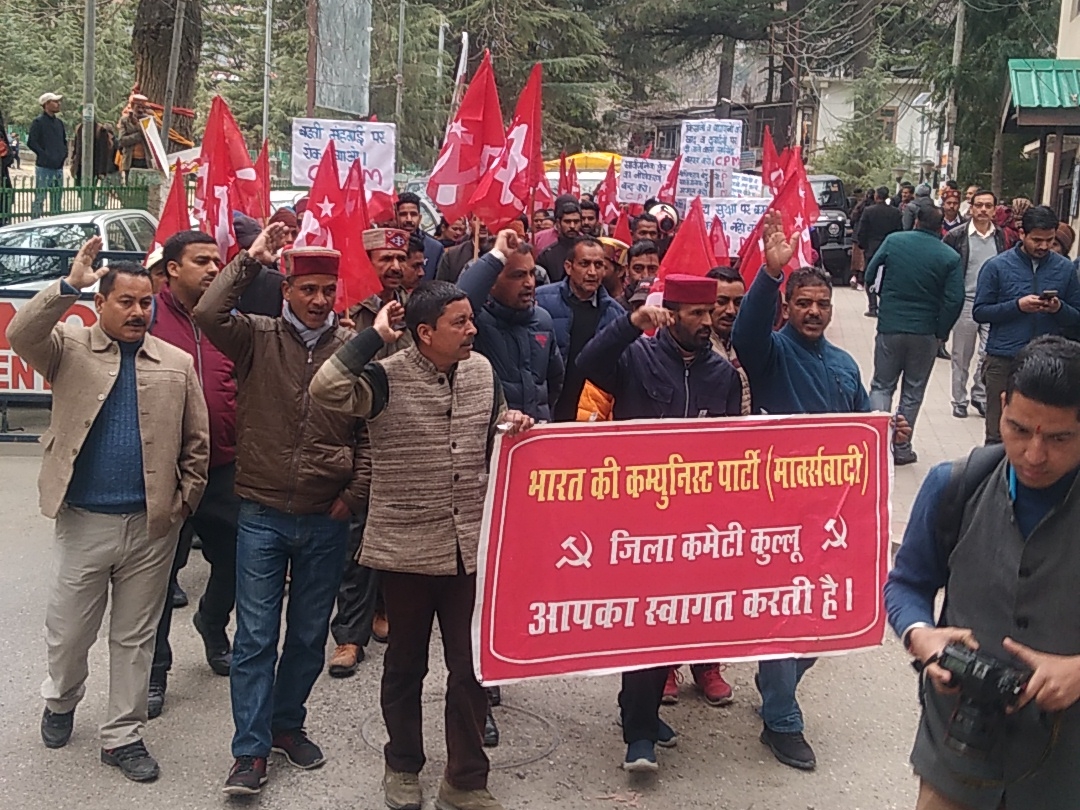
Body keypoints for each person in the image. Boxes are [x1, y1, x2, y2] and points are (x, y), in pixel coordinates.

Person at [309, 283, 534, 810]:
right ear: (425, 332)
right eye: (460, 322)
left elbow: (489, 431)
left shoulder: (481, 371)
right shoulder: (384, 379)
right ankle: (403, 765)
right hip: (406, 548)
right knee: (406, 665)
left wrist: (512, 424)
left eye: (471, 319)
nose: (472, 330)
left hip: (469, 548)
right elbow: (325, 388)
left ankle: (465, 780)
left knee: (472, 667)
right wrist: (373, 337)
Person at [6, 238, 209, 782]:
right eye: (126, 302)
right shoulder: (68, 347)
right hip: (84, 521)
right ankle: (62, 698)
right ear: (101, 304)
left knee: (135, 637)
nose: (139, 312)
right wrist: (68, 284)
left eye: (146, 303)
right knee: (70, 632)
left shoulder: (177, 362)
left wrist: (182, 502)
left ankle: (122, 735)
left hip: (151, 527)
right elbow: (19, 334)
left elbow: (197, 444)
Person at [193, 229, 370, 796]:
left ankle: (286, 725)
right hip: (262, 511)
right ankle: (248, 752)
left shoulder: (354, 345)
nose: (319, 300)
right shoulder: (255, 337)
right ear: (287, 290)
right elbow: (208, 309)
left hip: (326, 513)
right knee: (254, 637)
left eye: (327, 290)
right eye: (307, 289)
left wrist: (355, 493)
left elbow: (371, 431)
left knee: (308, 635)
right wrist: (251, 259)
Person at [732, 211, 911, 772]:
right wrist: (769, 274)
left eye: (822, 304)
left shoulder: (842, 363)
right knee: (785, 612)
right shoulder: (770, 353)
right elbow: (744, 334)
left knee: (824, 617)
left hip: (832, 517)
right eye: (803, 303)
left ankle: (774, 678)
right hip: (777, 512)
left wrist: (887, 428)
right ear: (788, 308)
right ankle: (782, 720)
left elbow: (859, 422)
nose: (813, 312)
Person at [884, 335, 1080, 810]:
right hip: (956, 754)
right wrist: (921, 637)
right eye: (1018, 429)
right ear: (1001, 405)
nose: (1034, 454)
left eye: (1058, 438)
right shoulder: (955, 484)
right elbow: (906, 584)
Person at [575, 274, 743, 772]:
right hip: (637, 517)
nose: (706, 324)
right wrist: (629, 325)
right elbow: (587, 363)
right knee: (644, 622)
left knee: (678, 621)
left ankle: (640, 711)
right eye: (696, 315)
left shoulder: (723, 374)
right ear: (670, 314)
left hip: (694, 522)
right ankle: (640, 735)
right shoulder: (636, 356)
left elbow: (732, 447)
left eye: (710, 314)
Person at [145, 230, 239, 720]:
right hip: (167, 472)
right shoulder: (148, 317)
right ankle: (155, 671)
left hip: (225, 466)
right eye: (201, 261)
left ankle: (211, 622)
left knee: (239, 564)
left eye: (217, 262)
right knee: (161, 577)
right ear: (172, 269)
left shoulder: (229, 321)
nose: (211, 269)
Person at [865, 205, 964, 465]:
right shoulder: (949, 257)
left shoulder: (894, 241)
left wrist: (880, 300)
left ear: (917, 221)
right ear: (940, 226)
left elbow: (870, 272)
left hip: (890, 325)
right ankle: (901, 447)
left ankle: (876, 443)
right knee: (913, 390)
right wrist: (941, 331)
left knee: (882, 385)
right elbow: (955, 299)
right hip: (925, 331)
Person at [974, 204, 1080, 445]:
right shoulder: (997, 266)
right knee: (998, 434)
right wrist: (1017, 306)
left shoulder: (1065, 268)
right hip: (1004, 358)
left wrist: (1058, 309)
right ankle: (996, 480)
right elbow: (980, 311)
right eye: (1037, 240)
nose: (1043, 246)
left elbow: (1076, 317)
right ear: (1022, 234)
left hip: (1049, 361)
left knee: (1043, 431)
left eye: (1049, 240)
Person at [458, 229, 564, 422]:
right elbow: (459, 300)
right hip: (492, 436)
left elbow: (555, 380)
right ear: (492, 282)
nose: (529, 283)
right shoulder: (477, 320)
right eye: (518, 276)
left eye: (532, 273)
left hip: (535, 433)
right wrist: (497, 256)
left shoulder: (543, 320)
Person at [535, 236, 625, 422]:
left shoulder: (615, 314)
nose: (592, 272)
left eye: (599, 265)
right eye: (584, 264)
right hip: (549, 406)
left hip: (590, 410)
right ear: (569, 267)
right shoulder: (541, 301)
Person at [943, 189, 1007, 419]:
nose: (983, 210)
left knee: (988, 353)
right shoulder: (957, 236)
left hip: (993, 303)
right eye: (978, 205)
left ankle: (979, 394)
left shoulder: (1000, 236)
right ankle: (958, 399)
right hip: (966, 302)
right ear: (970, 208)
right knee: (962, 354)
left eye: (988, 206)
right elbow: (946, 268)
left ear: (994, 210)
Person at [707, 265, 752, 417]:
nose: (731, 310)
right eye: (721, 301)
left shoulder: (746, 343)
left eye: (738, 302)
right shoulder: (692, 347)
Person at [854, 187, 903, 317]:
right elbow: (900, 231)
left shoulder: (869, 211)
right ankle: (885, 306)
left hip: (872, 248)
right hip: (890, 248)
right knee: (887, 277)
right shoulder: (896, 213)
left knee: (870, 276)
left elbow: (862, 230)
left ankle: (872, 306)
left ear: (876, 196)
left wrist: (862, 245)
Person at [27, 92, 67, 216]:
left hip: (58, 167)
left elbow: (63, 141)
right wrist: (44, 155)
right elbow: (31, 142)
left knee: (57, 200)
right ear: (46, 104)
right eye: (55, 101)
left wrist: (63, 154)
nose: (58, 104)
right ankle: (35, 222)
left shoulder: (59, 123)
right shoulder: (38, 122)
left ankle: (55, 222)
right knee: (40, 198)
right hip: (44, 167)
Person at [395, 191, 443, 277]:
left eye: (413, 214)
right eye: (403, 214)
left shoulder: (435, 248)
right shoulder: (387, 246)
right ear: (395, 217)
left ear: (420, 217)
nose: (409, 219)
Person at [536, 198, 583, 282]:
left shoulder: (591, 249)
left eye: (576, 221)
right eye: (567, 221)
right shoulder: (547, 256)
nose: (572, 226)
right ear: (558, 223)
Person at [117, 93, 151, 180]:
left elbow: (151, 138)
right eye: (138, 107)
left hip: (146, 161)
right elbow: (122, 140)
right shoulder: (125, 120)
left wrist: (137, 125)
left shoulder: (149, 120)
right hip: (130, 161)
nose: (140, 110)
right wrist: (139, 135)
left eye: (143, 107)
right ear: (132, 106)